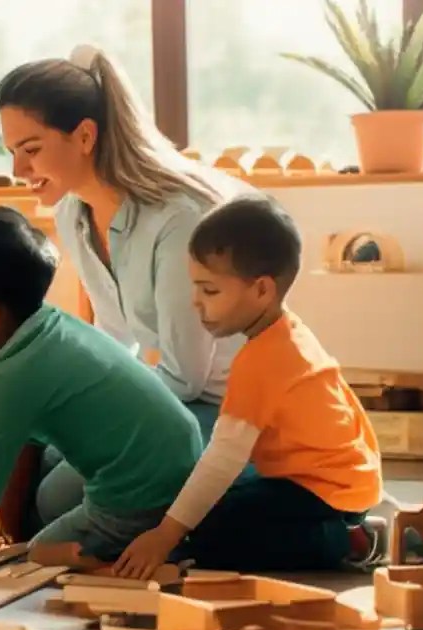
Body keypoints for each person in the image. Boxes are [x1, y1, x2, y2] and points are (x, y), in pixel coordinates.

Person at [0, 44, 257, 528]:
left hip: (222, 409)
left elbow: (186, 378)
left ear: (85, 136)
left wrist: (100, 418)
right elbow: (116, 336)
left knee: (55, 501)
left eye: (31, 150)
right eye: (11, 152)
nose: (18, 171)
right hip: (175, 398)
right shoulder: (74, 212)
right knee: (47, 464)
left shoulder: (179, 220)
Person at [0, 206, 203, 582]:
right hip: (180, 453)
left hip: (141, 490)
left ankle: (124, 563)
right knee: (53, 478)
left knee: (39, 550)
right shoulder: (53, 325)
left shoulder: (14, 375)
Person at [112, 194, 385, 579]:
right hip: (333, 485)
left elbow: (222, 459)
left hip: (325, 496)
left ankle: (342, 540)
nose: (195, 303)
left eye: (209, 291)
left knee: (214, 530)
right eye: (195, 288)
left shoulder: (262, 361)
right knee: (211, 513)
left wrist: (165, 535)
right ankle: (350, 528)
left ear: (261, 290)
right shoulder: (288, 332)